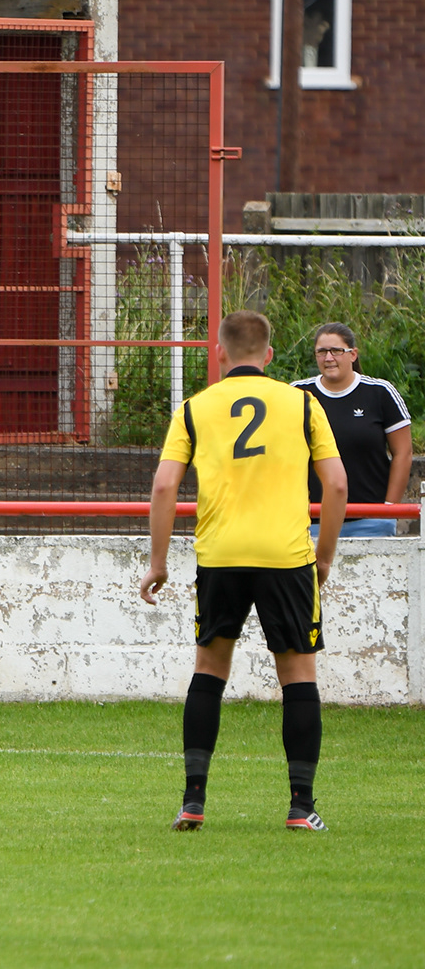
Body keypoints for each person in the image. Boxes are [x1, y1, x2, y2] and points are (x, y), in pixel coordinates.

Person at [138, 310, 346, 835]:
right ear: (270, 355)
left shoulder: (194, 408)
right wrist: (322, 557)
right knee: (297, 675)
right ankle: (301, 807)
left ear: (221, 354)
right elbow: (337, 485)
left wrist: (158, 561)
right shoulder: (302, 403)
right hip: (286, 556)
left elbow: (164, 488)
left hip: (221, 556)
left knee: (209, 670)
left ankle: (193, 801)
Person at [292, 322, 413, 538]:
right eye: (322, 352)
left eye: (336, 351)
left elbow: (403, 453)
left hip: (371, 522)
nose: (328, 358)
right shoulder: (297, 393)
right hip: (310, 522)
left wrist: (388, 510)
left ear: (353, 354)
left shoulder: (380, 392)